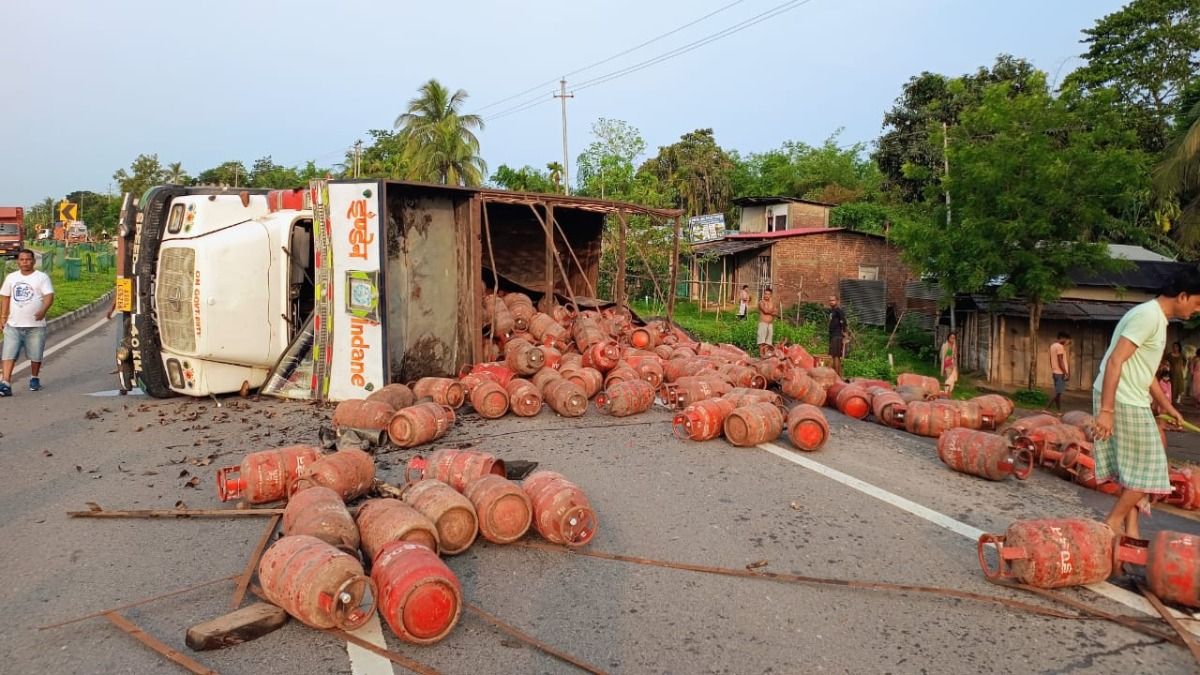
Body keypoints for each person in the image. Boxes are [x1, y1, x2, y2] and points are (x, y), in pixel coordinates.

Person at [1093, 267, 1200, 540]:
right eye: (1198, 303)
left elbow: (1146, 372)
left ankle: (1132, 530)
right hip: (1123, 399)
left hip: (1130, 397)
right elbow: (1116, 359)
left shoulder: (1157, 319)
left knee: (1134, 472)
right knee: (1152, 472)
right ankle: (1112, 525)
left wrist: (1167, 406)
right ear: (1183, 296)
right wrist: (1107, 411)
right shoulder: (1147, 317)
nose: (1198, 310)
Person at [0, 249, 55, 396]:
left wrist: (43, 310)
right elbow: (5, 297)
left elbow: (49, 296)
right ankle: (5, 382)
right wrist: (3, 317)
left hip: (35, 326)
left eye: (28, 259)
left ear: (34, 261)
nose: (25, 262)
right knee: (8, 354)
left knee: (36, 355)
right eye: (22, 260)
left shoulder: (41, 277)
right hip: (13, 325)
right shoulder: (11, 278)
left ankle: (34, 377)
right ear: (18, 261)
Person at [1049, 331, 1071, 411]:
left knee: (1058, 393)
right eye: (1068, 340)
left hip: (1055, 372)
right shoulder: (1059, 347)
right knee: (1057, 392)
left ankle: (1058, 411)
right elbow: (1060, 360)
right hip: (1060, 373)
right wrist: (1065, 373)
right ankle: (1046, 409)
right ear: (1063, 338)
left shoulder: (1052, 346)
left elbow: (1051, 359)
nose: (1067, 343)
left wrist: (1053, 369)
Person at [827, 296, 846, 376]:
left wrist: (844, 333)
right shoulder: (832, 311)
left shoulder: (839, 311)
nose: (831, 302)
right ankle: (838, 376)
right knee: (833, 356)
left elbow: (844, 322)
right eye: (830, 300)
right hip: (832, 336)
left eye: (833, 300)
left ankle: (837, 376)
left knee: (835, 357)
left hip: (837, 336)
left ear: (837, 301)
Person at [1167, 341, 1187, 405]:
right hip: (1171, 373)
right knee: (1172, 386)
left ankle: (1178, 400)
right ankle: (1171, 400)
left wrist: (1183, 368)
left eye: (1176, 346)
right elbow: (1164, 361)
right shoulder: (1169, 355)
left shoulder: (1181, 355)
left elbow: (1185, 361)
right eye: (1173, 346)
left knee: (1180, 386)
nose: (1175, 348)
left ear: (1179, 347)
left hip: (1179, 373)